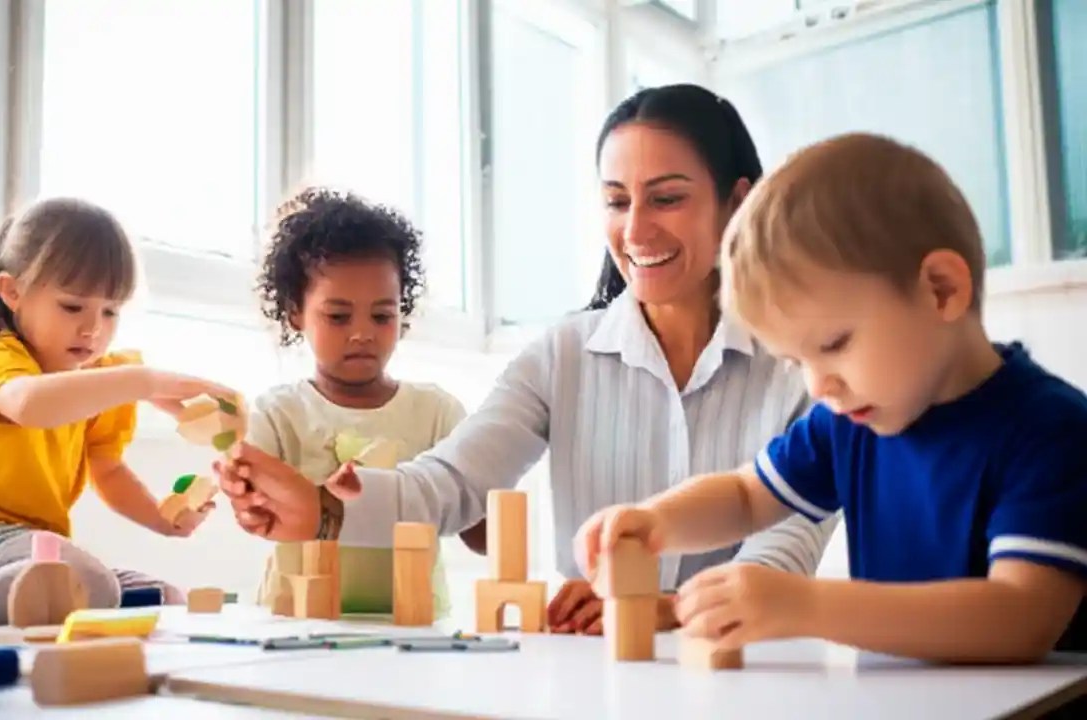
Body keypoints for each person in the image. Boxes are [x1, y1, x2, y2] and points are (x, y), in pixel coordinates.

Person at [221, 85, 835, 633]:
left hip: (743, 667)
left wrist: (673, 606)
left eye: (667, 198)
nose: (637, 231)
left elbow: (790, 535)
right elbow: (450, 484)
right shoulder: (562, 354)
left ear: (735, 203)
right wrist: (322, 511)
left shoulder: (799, 365)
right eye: (618, 202)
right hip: (596, 669)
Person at [577, 133, 1086, 660]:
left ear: (941, 289)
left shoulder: (1050, 430)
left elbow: (1020, 618)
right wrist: (657, 521)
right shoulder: (849, 421)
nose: (818, 386)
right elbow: (747, 496)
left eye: (834, 344)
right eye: (798, 363)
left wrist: (806, 606)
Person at [0, 197, 235, 626]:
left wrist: (162, 519)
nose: (94, 329)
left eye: (110, 311)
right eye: (73, 307)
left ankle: (21, 601)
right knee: (86, 582)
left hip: (26, 547)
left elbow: (108, 470)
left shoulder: (97, 377)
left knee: (163, 597)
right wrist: (143, 382)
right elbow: (30, 404)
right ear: (12, 291)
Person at [248, 187, 467, 618]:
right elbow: (258, 513)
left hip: (413, 624)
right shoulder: (278, 414)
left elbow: (480, 525)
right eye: (338, 316)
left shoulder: (436, 413)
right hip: (297, 621)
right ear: (295, 311)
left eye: (382, 316)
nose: (362, 333)